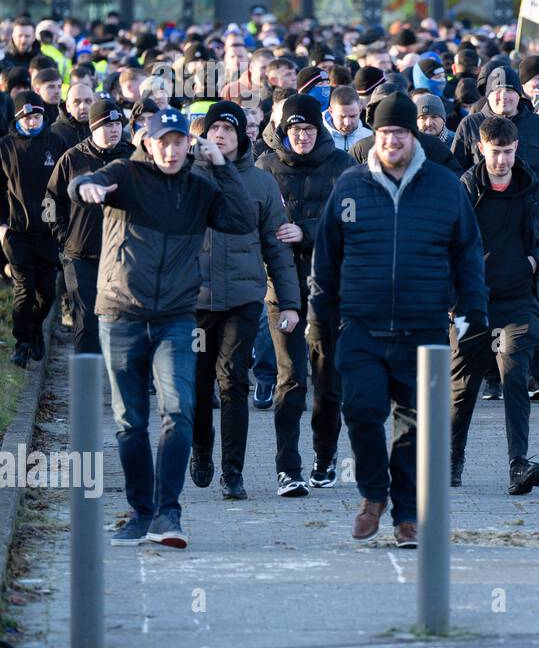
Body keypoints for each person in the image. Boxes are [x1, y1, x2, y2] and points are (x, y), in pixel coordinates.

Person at [71, 107, 257, 549]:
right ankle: (140, 513)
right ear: (148, 143)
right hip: (120, 313)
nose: (171, 151)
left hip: (175, 317)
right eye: (163, 142)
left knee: (178, 411)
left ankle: (168, 514)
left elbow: (243, 220)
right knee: (130, 421)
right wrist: (89, 187)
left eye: (179, 142)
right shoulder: (127, 174)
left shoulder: (200, 185)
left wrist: (223, 166)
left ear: (187, 145)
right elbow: (83, 184)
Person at [309, 92, 488, 546]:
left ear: (413, 137)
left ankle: (407, 515)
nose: (391, 140)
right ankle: (373, 494)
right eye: (385, 133)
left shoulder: (445, 187)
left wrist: (472, 309)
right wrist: (321, 316)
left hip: (423, 327)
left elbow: (468, 253)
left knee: (414, 426)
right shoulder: (349, 185)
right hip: (361, 326)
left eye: (400, 133)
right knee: (362, 411)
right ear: (375, 137)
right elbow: (326, 257)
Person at [450, 116, 539, 492]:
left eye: (508, 152)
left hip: (520, 302)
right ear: (481, 148)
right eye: (495, 152)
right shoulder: (465, 190)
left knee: (514, 373)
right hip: (472, 305)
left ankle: (518, 463)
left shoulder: (533, 189)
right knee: (463, 386)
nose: (502, 160)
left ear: (517, 149)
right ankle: (452, 460)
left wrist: (536, 261)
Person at [189, 102, 300, 500]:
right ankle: (201, 447)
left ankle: (232, 471)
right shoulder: (187, 176)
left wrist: (289, 302)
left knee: (233, 382)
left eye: (228, 129)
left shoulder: (260, 182)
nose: (220, 135)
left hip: (243, 298)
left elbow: (277, 246)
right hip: (194, 301)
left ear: (241, 137)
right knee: (197, 387)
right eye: (213, 128)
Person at [256, 94, 356, 490]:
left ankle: (325, 458)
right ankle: (288, 467)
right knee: (291, 378)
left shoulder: (344, 167)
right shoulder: (265, 166)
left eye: (309, 129)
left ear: (320, 129)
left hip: (330, 290)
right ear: (284, 131)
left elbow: (353, 223)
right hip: (281, 290)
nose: (302, 137)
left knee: (329, 381)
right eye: (295, 130)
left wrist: (307, 232)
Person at [46, 99, 132, 355]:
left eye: (118, 124)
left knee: (128, 319)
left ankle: (135, 375)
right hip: (80, 255)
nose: (115, 130)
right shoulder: (72, 158)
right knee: (86, 319)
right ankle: (88, 380)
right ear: (93, 128)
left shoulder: (133, 155)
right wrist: (64, 235)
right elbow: (51, 200)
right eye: (108, 125)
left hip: (124, 255)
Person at [0, 90, 68, 365]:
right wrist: (1, 226)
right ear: (18, 119)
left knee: (47, 292)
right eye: (27, 117)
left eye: (37, 115)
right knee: (24, 288)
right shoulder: (5, 147)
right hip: (16, 232)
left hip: (48, 232)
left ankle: (35, 328)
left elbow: (64, 188)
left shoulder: (56, 143)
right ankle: (22, 343)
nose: (32, 121)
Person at [453, 64, 539, 189]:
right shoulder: (470, 124)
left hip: (528, 203)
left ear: (519, 94)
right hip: (483, 202)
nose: (504, 96)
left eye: (509, 91)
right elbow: (455, 170)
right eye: (497, 91)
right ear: (488, 95)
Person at [50, 80, 97, 149]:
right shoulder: (54, 133)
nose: (83, 106)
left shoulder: (101, 128)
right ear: (67, 106)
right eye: (77, 102)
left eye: (88, 101)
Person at [325, 84, 372, 152]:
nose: (347, 123)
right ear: (331, 112)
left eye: (353, 116)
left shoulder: (371, 138)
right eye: (342, 117)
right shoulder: (315, 138)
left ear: (360, 110)